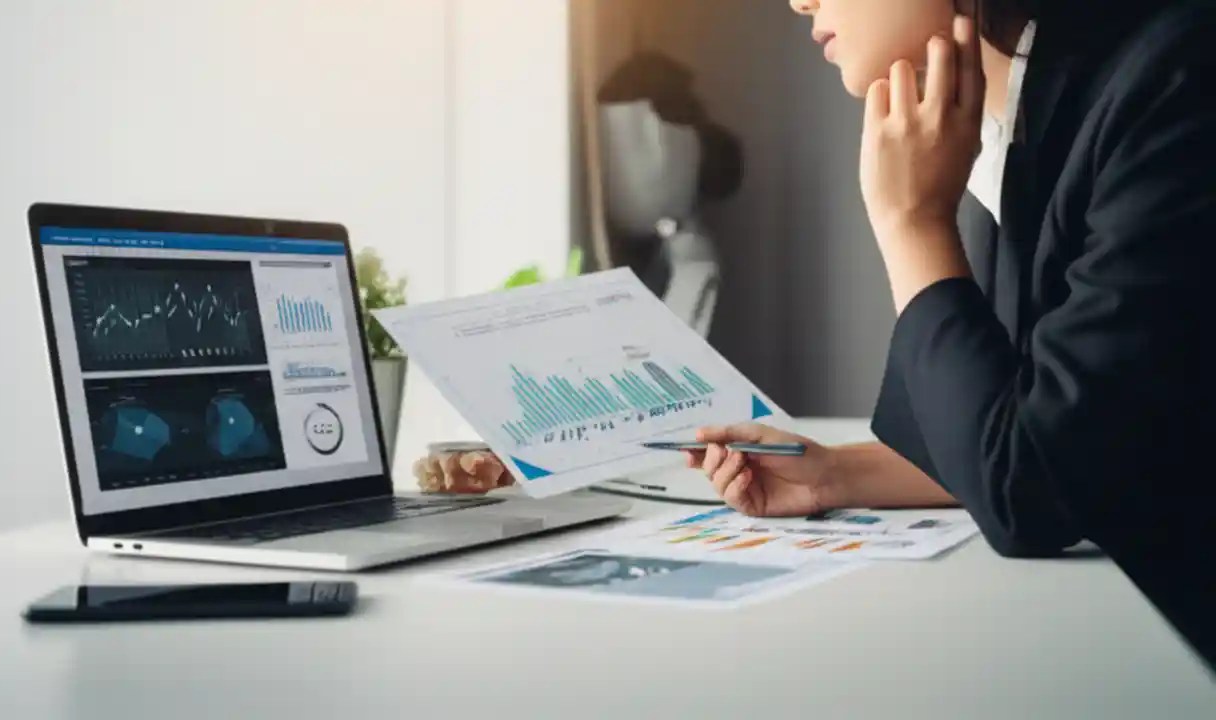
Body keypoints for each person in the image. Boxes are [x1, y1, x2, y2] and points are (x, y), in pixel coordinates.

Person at [415, 0, 1216, 666]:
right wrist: (835, 476)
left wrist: (910, 223)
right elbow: (1055, 432)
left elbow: (1028, 493)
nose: (798, 0)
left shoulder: (1173, 82)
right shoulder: (1052, 105)